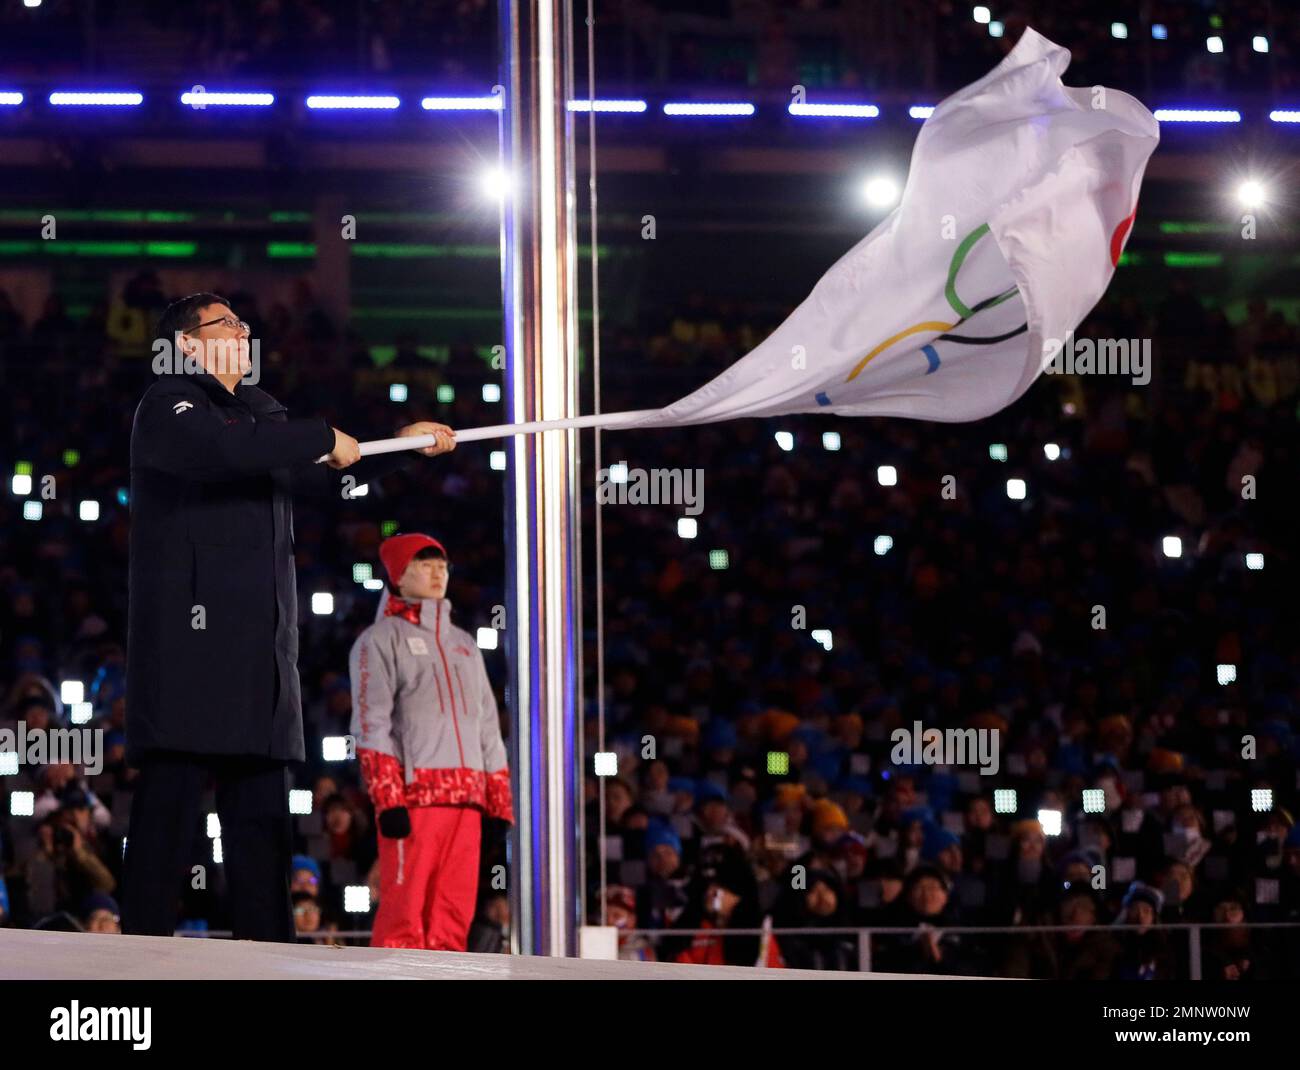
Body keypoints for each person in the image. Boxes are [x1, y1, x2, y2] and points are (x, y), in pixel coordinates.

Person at [121, 292, 456, 941]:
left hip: (259, 655)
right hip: (190, 652)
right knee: (170, 812)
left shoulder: (260, 411)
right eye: (225, 324)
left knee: (263, 828)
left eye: (245, 323)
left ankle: (267, 956)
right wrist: (320, 437)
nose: (243, 332)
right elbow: (225, 452)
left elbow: (325, 468)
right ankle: (140, 958)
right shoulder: (168, 404)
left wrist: (398, 445)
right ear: (186, 344)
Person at [350, 533, 514, 950]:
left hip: (469, 800)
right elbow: (372, 726)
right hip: (414, 798)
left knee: (453, 916)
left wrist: (499, 804)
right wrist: (388, 801)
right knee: (404, 917)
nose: (437, 572)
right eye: (424, 564)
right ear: (398, 576)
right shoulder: (379, 640)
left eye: (441, 565)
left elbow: (488, 729)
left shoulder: (465, 646)